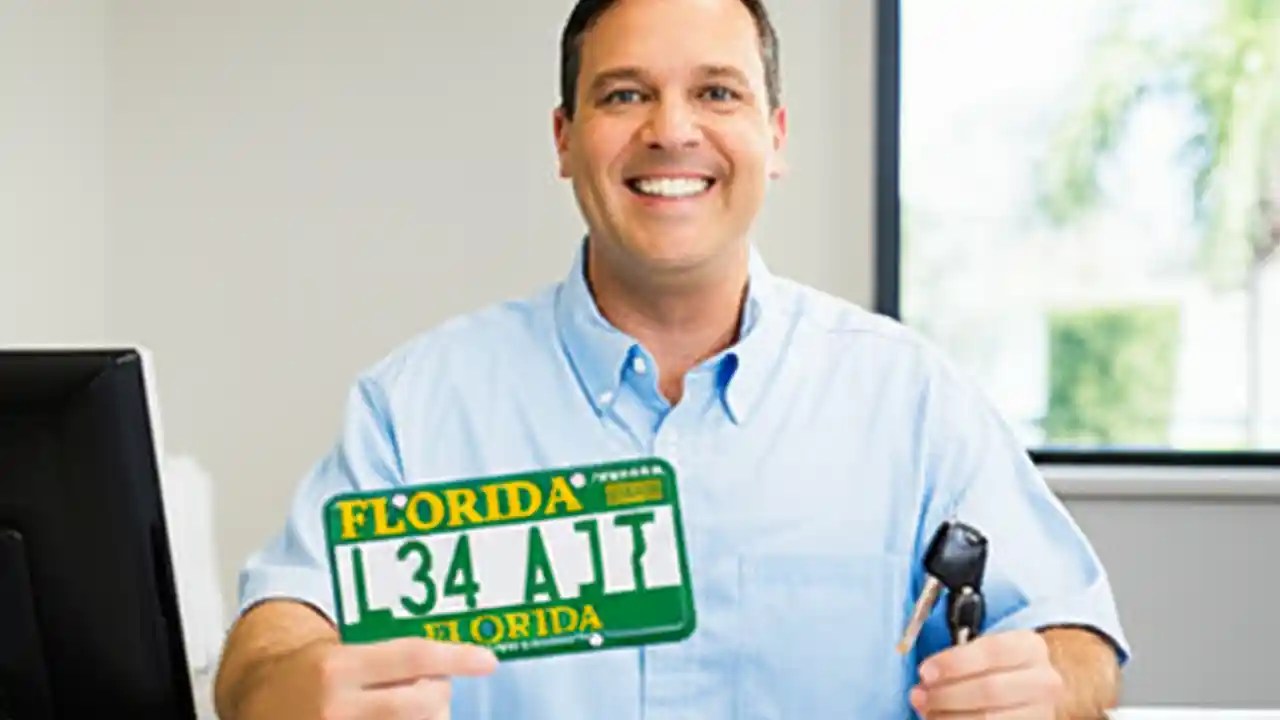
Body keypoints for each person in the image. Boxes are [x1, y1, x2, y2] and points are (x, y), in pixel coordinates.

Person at [213, 0, 1131, 717]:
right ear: (565, 139)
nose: (671, 130)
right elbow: (270, 643)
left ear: (774, 138)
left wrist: (1048, 682)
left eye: (717, 92)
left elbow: (1079, 641)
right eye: (624, 94)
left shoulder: (911, 400)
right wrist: (286, 690)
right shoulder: (417, 405)